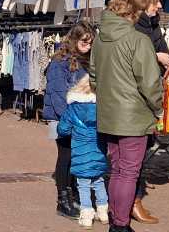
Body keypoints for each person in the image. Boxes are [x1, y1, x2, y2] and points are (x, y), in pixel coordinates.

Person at [90, 0, 163, 232]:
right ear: (133, 13)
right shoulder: (137, 39)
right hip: (132, 115)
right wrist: (158, 108)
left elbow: (93, 78)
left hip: (109, 113)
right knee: (128, 172)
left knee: (118, 170)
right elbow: (150, 82)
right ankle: (120, 224)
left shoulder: (100, 39)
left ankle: (117, 220)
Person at [42, 21, 95, 220]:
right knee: (66, 156)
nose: (88, 47)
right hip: (62, 118)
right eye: (84, 42)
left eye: (90, 43)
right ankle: (62, 201)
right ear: (75, 39)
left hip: (81, 118)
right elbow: (57, 94)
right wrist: (70, 120)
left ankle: (73, 194)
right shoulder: (59, 61)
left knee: (76, 157)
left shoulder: (86, 60)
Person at [128, 0, 169, 224]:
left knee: (143, 151)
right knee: (135, 155)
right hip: (136, 99)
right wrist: (155, 55)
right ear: (145, 3)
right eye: (156, 1)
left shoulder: (152, 24)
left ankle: (132, 199)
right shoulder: (134, 27)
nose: (161, 6)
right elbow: (130, 56)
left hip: (150, 96)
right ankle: (132, 202)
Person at [57, 75, 109, 228]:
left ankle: (86, 215)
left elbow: (63, 129)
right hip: (99, 151)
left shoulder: (73, 108)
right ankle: (103, 212)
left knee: (83, 184)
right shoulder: (103, 107)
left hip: (80, 153)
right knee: (99, 181)